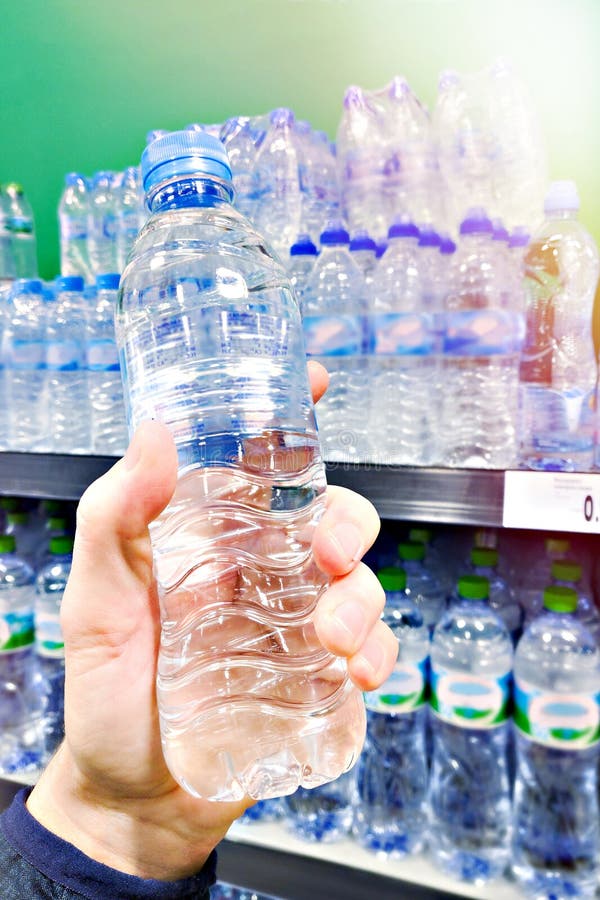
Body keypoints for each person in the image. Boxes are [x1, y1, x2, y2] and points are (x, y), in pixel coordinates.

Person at [0, 362, 398, 899]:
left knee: (306, 543)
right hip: (190, 733)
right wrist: (107, 816)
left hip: (267, 730)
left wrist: (108, 823)